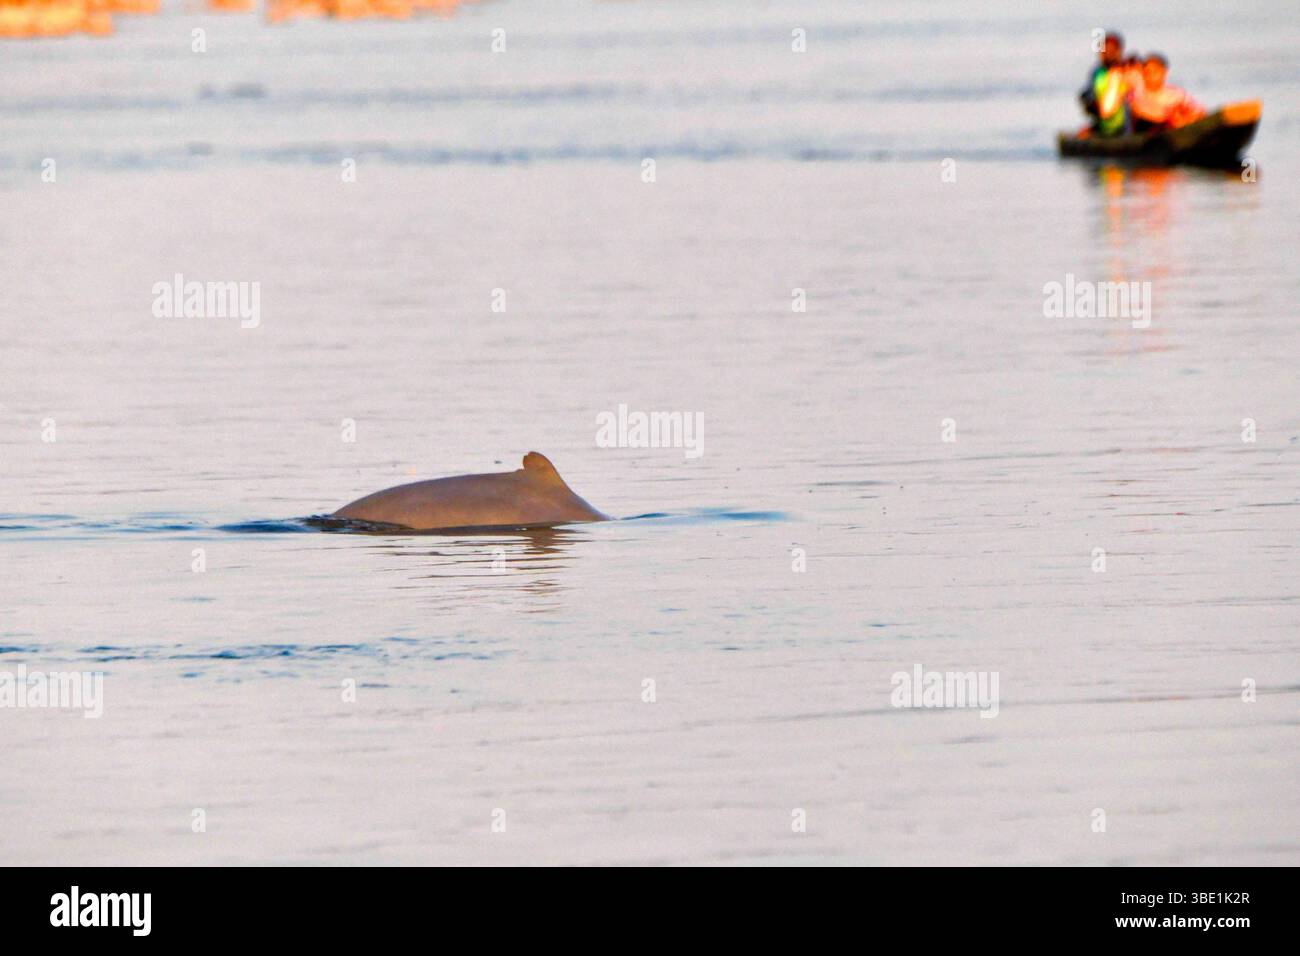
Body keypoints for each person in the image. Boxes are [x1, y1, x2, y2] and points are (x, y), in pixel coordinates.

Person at [1128, 54, 1206, 131]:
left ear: (1164, 72)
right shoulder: (1135, 95)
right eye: (1147, 72)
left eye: (1155, 71)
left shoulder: (1177, 94)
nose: (1150, 75)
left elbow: (1200, 112)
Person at [1079, 31, 1130, 137]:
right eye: (1104, 50)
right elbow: (1089, 95)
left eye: (1112, 50)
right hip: (1105, 122)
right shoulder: (1097, 73)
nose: (1108, 54)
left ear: (1119, 50)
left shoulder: (1128, 70)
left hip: (1127, 124)